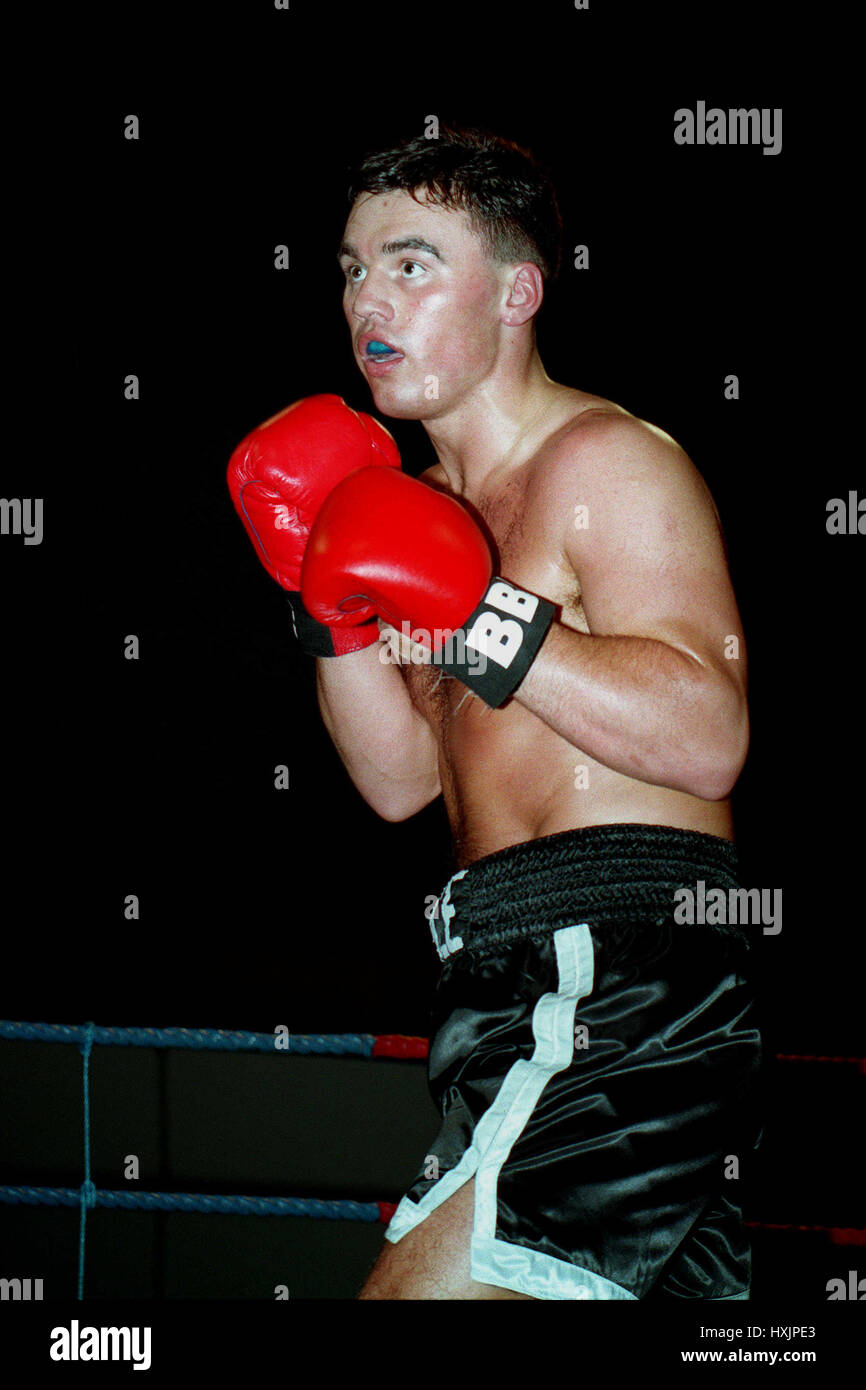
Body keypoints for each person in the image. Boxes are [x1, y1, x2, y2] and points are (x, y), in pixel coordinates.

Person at [228, 127, 762, 1301]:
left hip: (620, 968)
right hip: (491, 966)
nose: (369, 296)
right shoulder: (412, 507)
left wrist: (483, 618)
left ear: (518, 291)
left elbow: (707, 733)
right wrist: (326, 601)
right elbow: (399, 781)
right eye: (351, 268)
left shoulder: (606, 462)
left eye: (411, 263)